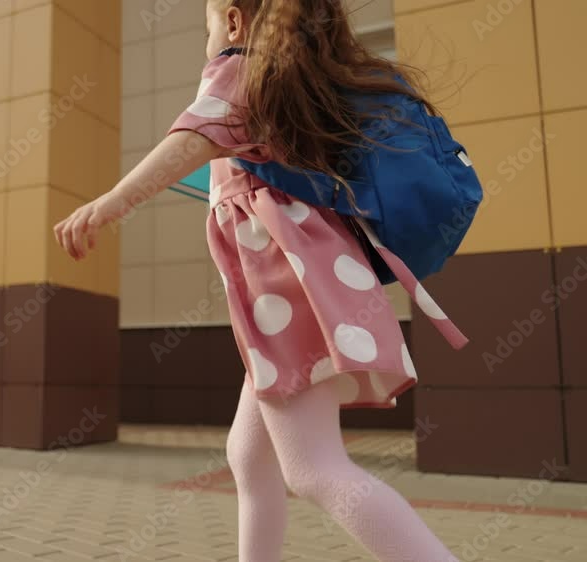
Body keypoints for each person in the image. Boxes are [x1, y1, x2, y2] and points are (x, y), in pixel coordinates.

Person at [54, 1, 462, 560]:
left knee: (315, 469)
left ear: (234, 23)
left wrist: (111, 202)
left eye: (207, 25)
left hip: (289, 294)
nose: (208, 37)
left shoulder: (241, 70)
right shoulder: (290, 85)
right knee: (250, 456)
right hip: (301, 293)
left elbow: (191, 138)